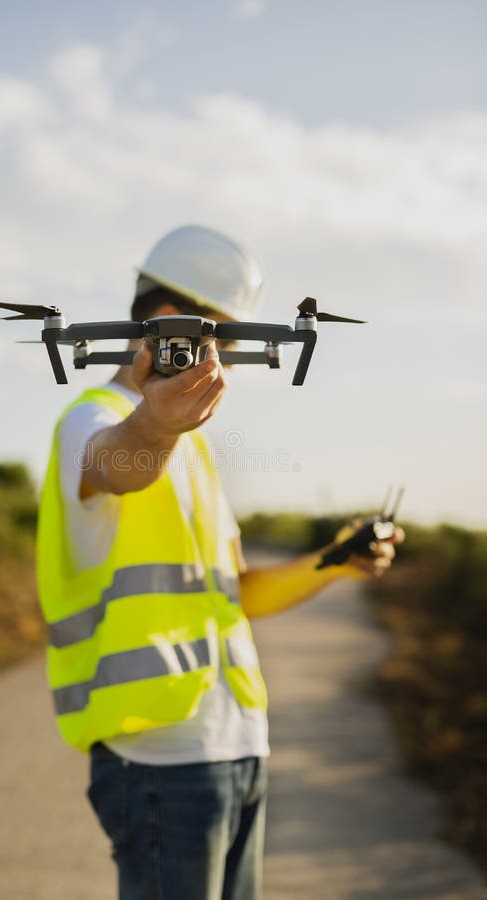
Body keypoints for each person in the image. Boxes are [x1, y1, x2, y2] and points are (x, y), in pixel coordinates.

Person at [36, 225, 404, 900]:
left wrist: (337, 561)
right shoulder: (92, 420)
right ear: (172, 323)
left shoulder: (192, 451)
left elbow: (240, 594)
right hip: (159, 761)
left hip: (237, 748)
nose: (227, 361)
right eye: (225, 339)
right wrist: (155, 427)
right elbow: (115, 464)